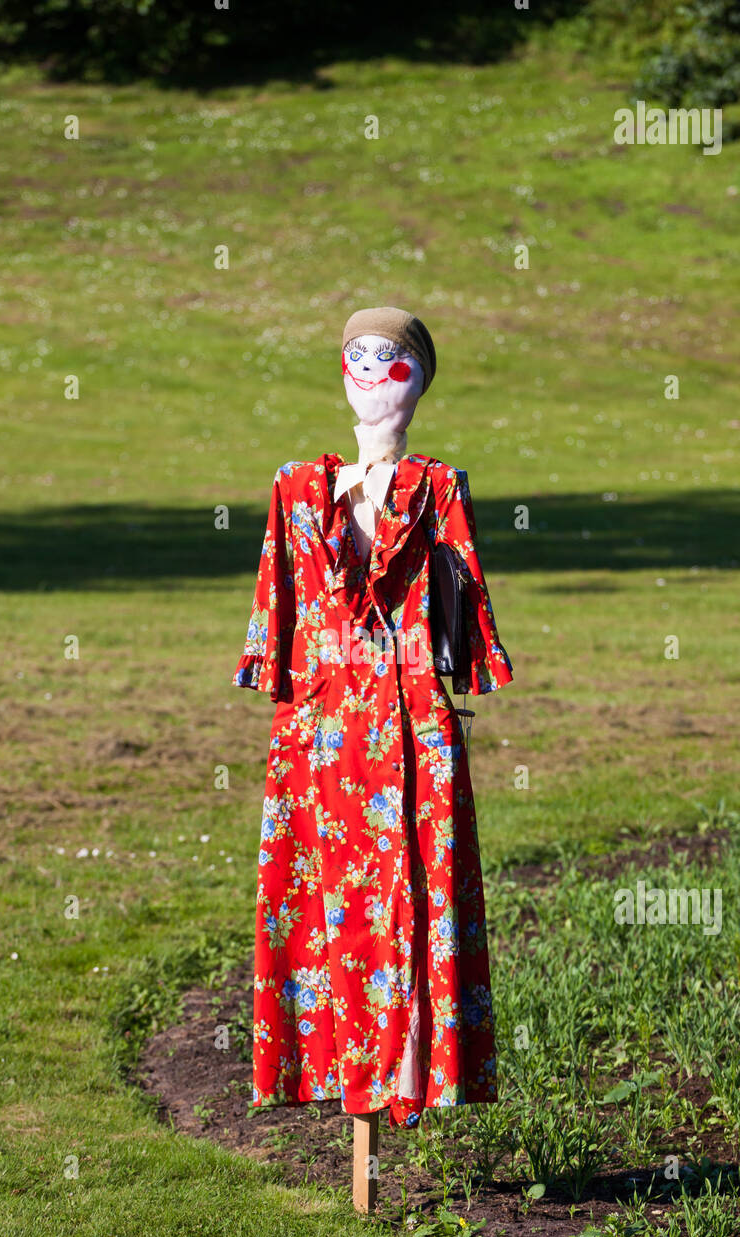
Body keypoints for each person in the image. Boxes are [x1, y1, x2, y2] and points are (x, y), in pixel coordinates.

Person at [235, 306, 513, 1129]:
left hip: (413, 728)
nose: (369, 370)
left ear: (419, 378)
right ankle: (334, 1071)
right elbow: (276, 620)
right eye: (355, 355)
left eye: (390, 358)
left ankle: (408, 1071)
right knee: (318, 913)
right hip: (316, 733)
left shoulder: (439, 488)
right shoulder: (296, 490)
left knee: (413, 908)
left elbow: (466, 626)